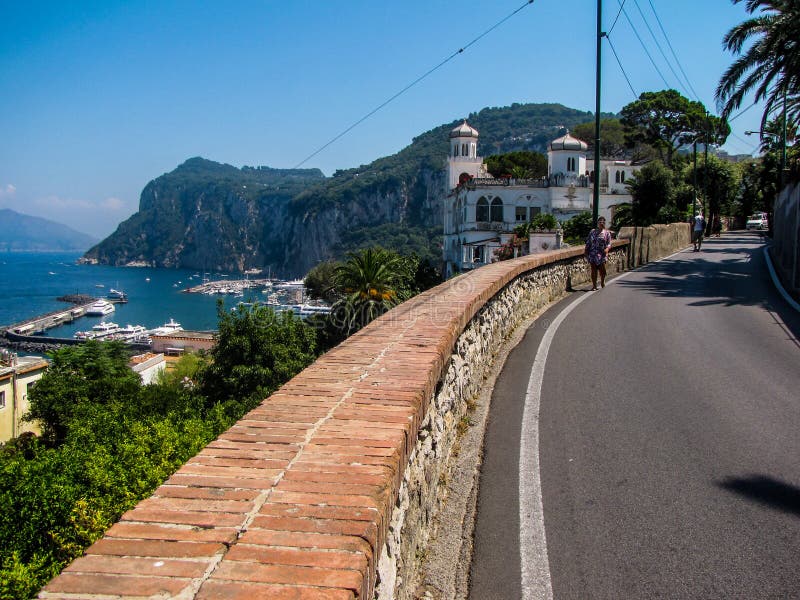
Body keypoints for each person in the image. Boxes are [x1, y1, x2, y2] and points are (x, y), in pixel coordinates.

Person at [584, 216, 612, 290]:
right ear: (597, 223)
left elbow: (609, 243)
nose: (601, 223)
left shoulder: (607, 233)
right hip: (593, 253)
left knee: (602, 270)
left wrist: (607, 249)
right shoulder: (592, 232)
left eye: (603, 222)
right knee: (593, 269)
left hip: (602, 253)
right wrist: (586, 250)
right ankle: (594, 285)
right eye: (600, 222)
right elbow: (588, 242)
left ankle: (602, 280)